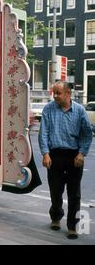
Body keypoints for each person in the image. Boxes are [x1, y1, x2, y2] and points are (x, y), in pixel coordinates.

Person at [38, 81, 93, 239]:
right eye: (53, 93)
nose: (55, 96)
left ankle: (72, 225)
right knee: (56, 190)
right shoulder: (48, 109)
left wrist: (82, 153)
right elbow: (44, 133)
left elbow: (86, 135)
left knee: (74, 193)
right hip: (54, 155)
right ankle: (56, 216)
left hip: (74, 156)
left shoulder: (80, 111)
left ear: (68, 94)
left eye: (58, 93)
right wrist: (45, 153)